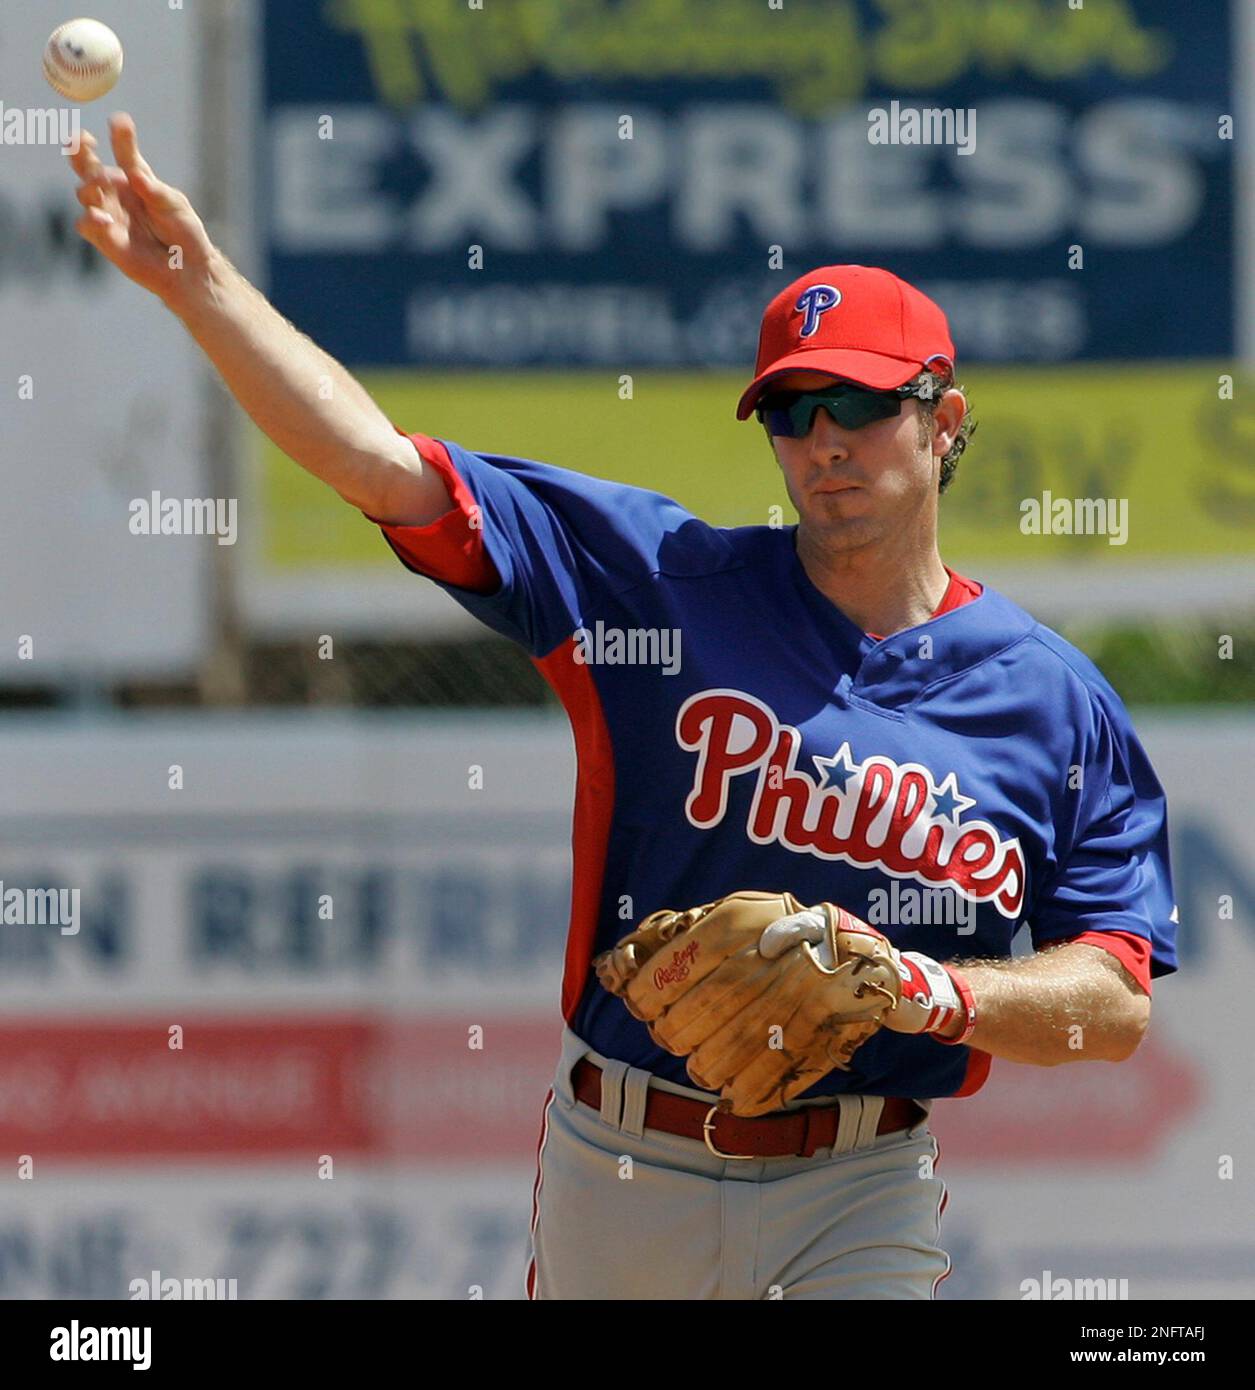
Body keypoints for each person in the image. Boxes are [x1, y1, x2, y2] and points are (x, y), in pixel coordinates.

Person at [68, 115, 1178, 1301]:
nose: (821, 446)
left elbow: (1112, 1001)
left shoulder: (1049, 701)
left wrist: (923, 989)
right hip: (626, 1167)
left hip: (860, 1182)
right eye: (790, 412)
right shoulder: (656, 585)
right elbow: (378, 466)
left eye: (855, 405)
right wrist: (202, 288)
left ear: (943, 419)